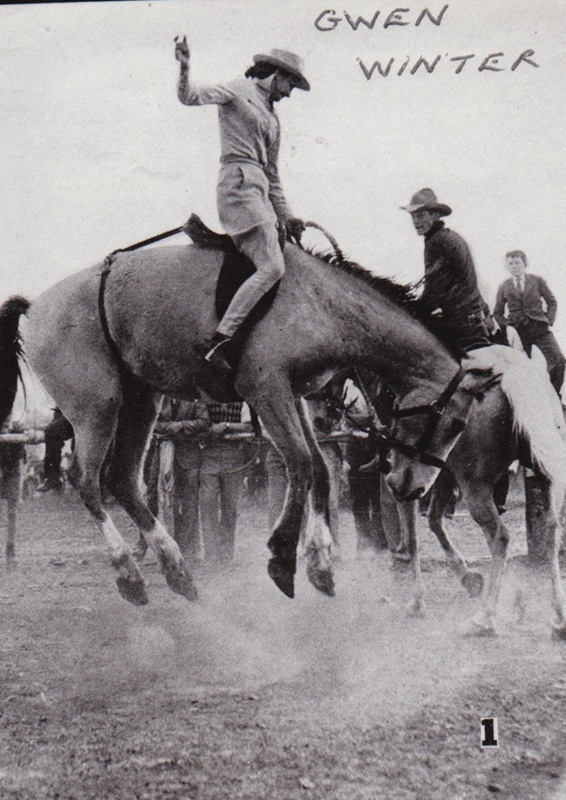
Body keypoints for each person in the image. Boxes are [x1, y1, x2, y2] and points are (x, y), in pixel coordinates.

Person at [175, 37, 309, 371]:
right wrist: (185, 66)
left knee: (281, 260)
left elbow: (272, 174)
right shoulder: (237, 89)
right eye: (290, 84)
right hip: (236, 188)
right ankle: (220, 341)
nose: (290, 93)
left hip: (259, 193)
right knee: (273, 267)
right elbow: (189, 96)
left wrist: (288, 216)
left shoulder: (274, 119)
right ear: (276, 74)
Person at [401, 188, 490, 352]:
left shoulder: (437, 241)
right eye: (413, 216)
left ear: (435, 215)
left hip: (461, 324)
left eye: (421, 216)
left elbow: (434, 288)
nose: (415, 222)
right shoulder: (448, 236)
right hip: (472, 318)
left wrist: (412, 311)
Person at [493, 250, 565, 396]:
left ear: (524, 263)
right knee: (520, 367)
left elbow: (552, 302)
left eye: (517, 262)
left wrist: (548, 320)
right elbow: (497, 313)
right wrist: (508, 327)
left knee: (558, 361)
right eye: (510, 263)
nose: (514, 266)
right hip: (518, 332)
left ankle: (553, 397)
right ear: (507, 266)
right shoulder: (504, 286)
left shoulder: (537, 281)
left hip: (539, 329)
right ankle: (529, 399)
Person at [148, 396, 211, 559]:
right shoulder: (160, 397)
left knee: (190, 502)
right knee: (156, 497)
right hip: (163, 453)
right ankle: (153, 543)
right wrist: (170, 428)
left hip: (189, 455)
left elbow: (204, 421)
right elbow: (152, 421)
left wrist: (181, 425)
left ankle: (186, 548)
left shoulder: (194, 395)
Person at [199, 401, 252, 561]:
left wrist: (226, 425)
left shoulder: (240, 400)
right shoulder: (206, 399)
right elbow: (201, 423)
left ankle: (226, 552)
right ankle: (211, 552)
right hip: (209, 454)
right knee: (208, 503)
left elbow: (248, 426)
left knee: (230, 506)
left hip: (233, 454)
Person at [36, 408, 74, 492]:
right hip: (74, 413)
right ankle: (53, 477)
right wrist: (56, 419)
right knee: (52, 430)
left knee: (53, 429)